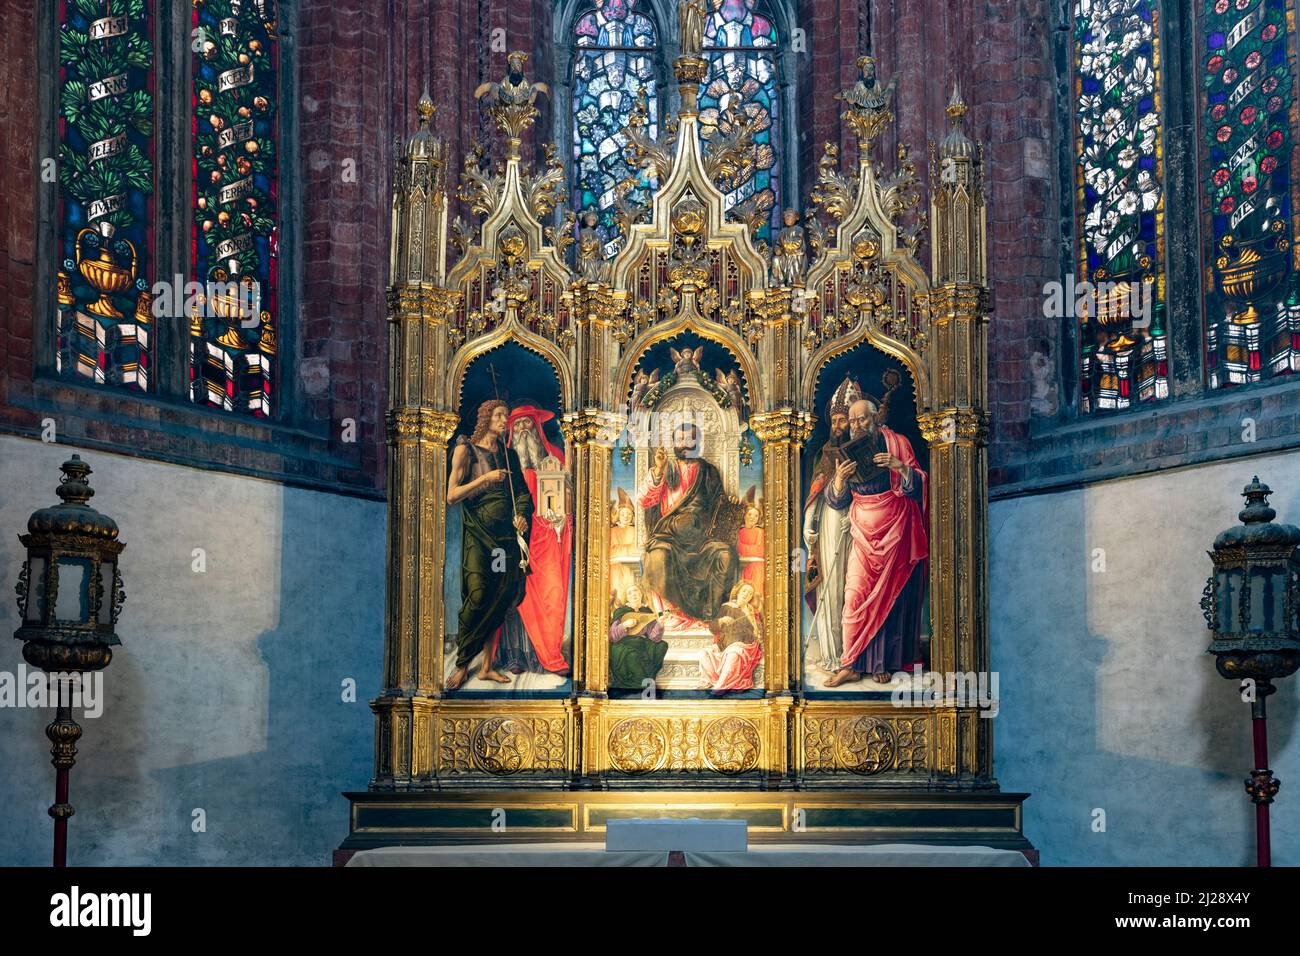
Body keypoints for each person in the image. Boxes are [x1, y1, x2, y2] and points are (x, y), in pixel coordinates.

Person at [823, 396, 928, 687]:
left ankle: (882, 663)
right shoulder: (845, 451)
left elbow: (919, 481)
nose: (856, 425)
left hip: (895, 528)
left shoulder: (898, 444)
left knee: (889, 598)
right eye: (853, 420)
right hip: (863, 530)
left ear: (875, 419)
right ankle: (851, 664)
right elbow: (836, 500)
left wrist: (900, 466)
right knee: (855, 596)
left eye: (862, 419)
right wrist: (840, 480)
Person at [445, 400, 533, 690]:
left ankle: (485, 667)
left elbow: (521, 492)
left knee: (503, 595)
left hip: (506, 537)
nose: (504, 419)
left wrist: (521, 515)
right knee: (479, 596)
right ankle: (462, 664)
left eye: (506, 415)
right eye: (498, 415)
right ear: (485, 418)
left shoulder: (508, 455)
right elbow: (452, 495)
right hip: (480, 535)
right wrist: (485, 478)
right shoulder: (465, 449)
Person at [491, 406, 571, 676]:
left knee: (551, 592)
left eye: (528, 423)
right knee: (513, 594)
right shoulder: (503, 463)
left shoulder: (555, 458)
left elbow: (568, 497)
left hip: (547, 535)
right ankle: (515, 656)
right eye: (519, 424)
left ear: (537, 427)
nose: (524, 428)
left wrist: (562, 517)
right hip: (515, 535)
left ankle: (546, 655)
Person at [637, 422, 739, 623]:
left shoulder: (708, 471)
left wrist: (729, 504)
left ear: (698, 442)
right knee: (658, 557)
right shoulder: (665, 468)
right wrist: (658, 471)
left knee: (726, 555)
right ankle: (672, 614)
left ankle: (712, 614)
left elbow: (718, 504)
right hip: (668, 537)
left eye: (689, 439)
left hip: (702, 540)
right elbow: (644, 500)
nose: (684, 443)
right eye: (679, 439)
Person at [802, 376, 857, 673]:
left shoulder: (867, 451)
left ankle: (854, 654)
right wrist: (808, 524)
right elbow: (815, 492)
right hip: (828, 529)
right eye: (835, 420)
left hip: (858, 528)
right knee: (829, 589)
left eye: (844, 420)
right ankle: (832, 654)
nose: (839, 426)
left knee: (854, 590)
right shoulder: (824, 453)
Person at [699, 581, 763, 692]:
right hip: (725, 644)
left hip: (745, 645)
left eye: (749, 593)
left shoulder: (752, 612)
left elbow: (756, 633)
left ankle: (720, 687)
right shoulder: (727, 607)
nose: (746, 595)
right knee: (704, 653)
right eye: (744, 591)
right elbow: (713, 628)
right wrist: (721, 621)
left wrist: (754, 631)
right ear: (737, 592)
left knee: (733, 653)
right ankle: (709, 681)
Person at [608, 584, 668, 690]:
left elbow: (654, 637)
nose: (633, 594)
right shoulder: (621, 612)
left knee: (662, 645)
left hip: (641, 643)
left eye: (635, 591)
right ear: (626, 597)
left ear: (641, 593)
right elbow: (612, 636)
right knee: (632, 655)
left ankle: (649, 678)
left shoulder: (647, 611)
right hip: (623, 644)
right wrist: (624, 625)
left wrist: (660, 623)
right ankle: (643, 683)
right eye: (629, 593)